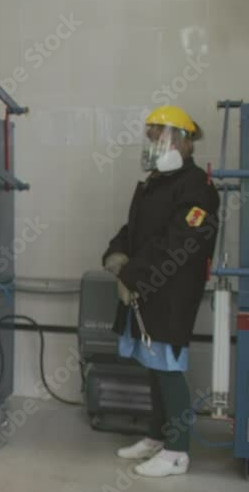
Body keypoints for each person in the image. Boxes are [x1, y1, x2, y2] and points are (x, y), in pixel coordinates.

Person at [102, 105, 220, 477]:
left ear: (184, 142)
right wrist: (117, 255)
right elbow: (133, 229)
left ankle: (177, 451)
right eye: (151, 137)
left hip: (170, 292)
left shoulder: (197, 186)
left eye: (161, 137)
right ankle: (157, 435)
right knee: (150, 365)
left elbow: (178, 242)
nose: (154, 145)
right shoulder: (154, 181)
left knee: (168, 368)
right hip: (144, 287)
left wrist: (133, 276)